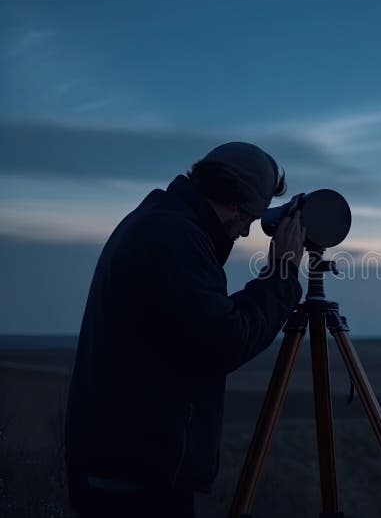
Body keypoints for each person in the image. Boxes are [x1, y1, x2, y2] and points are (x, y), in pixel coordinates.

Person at [64, 142, 306, 518]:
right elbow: (224, 340)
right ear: (233, 203)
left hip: (124, 468)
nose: (243, 234)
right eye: (246, 220)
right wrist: (282, 275)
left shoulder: (160, 221)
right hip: (136, 482)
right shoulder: (173, 237)